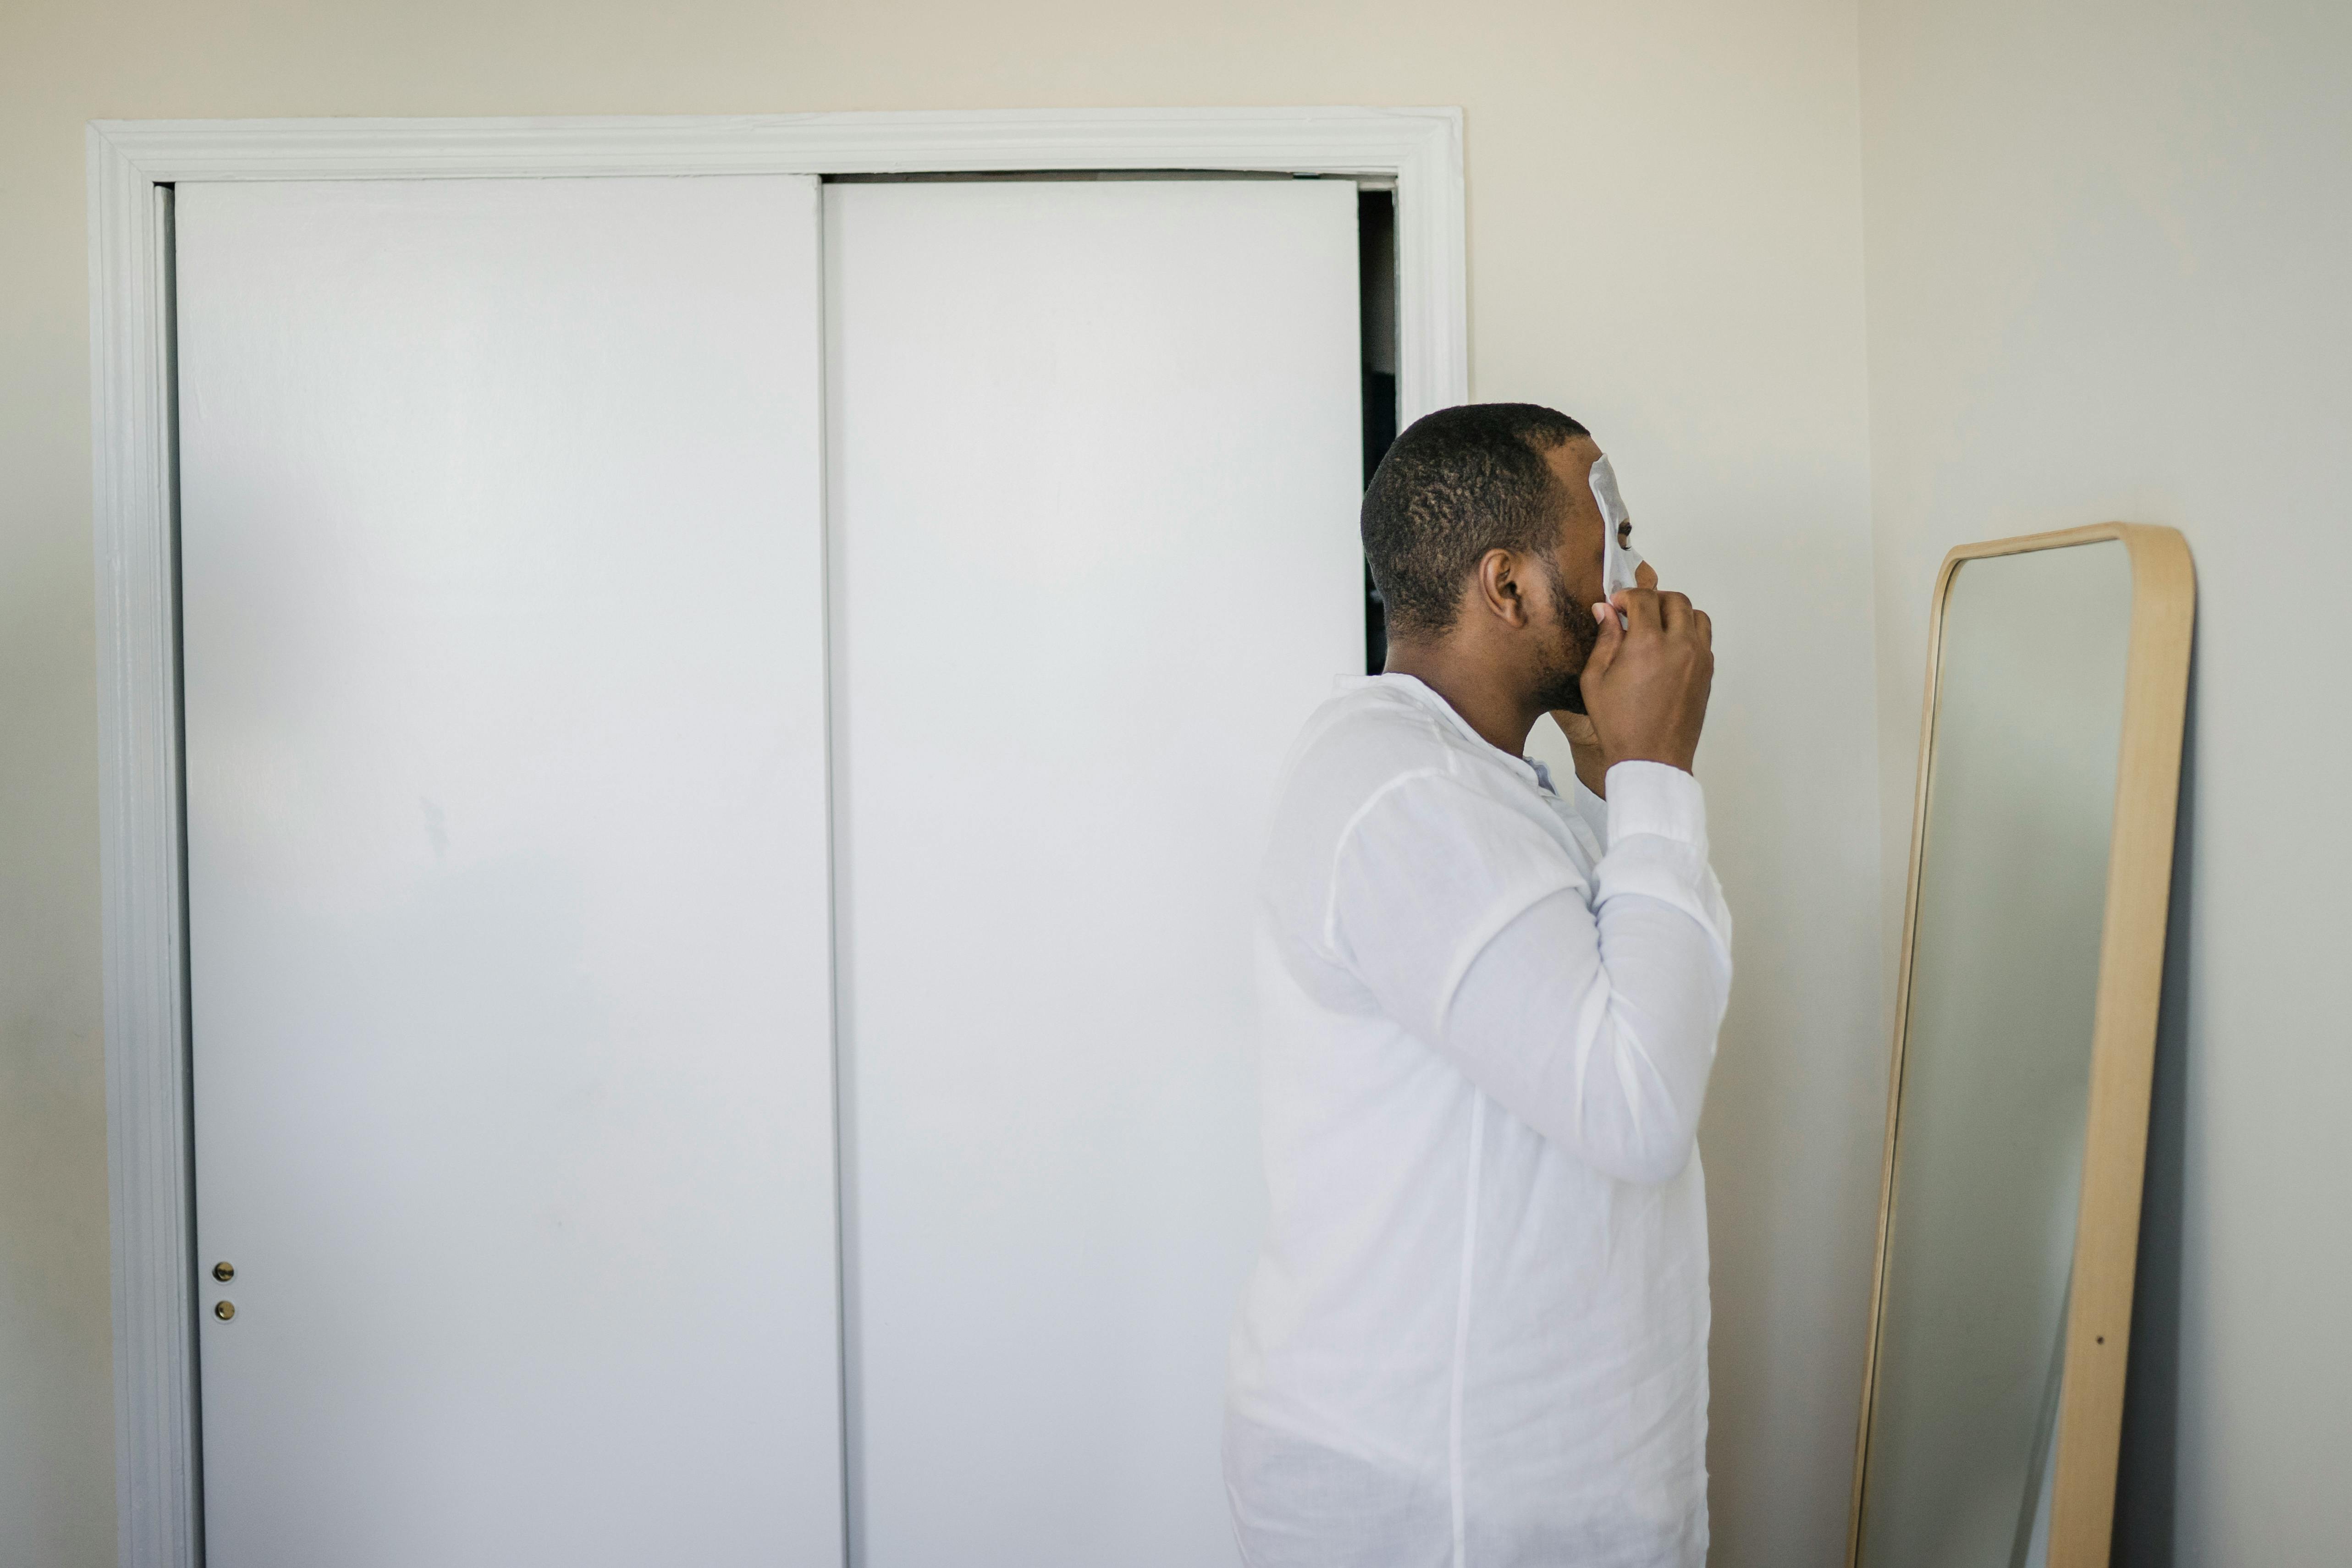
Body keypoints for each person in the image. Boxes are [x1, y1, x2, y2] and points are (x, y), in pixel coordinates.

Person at [1223, 403, 1730, 1568]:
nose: (1631, 579)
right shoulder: (1406, 797)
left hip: (1502, 1479)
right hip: (1433, 1497)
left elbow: (1668, 995)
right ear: (1506, 586)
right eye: (1602, 533)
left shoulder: (1498, 787)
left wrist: (1615, 776)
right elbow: (1640, 1102)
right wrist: (1657, 767)